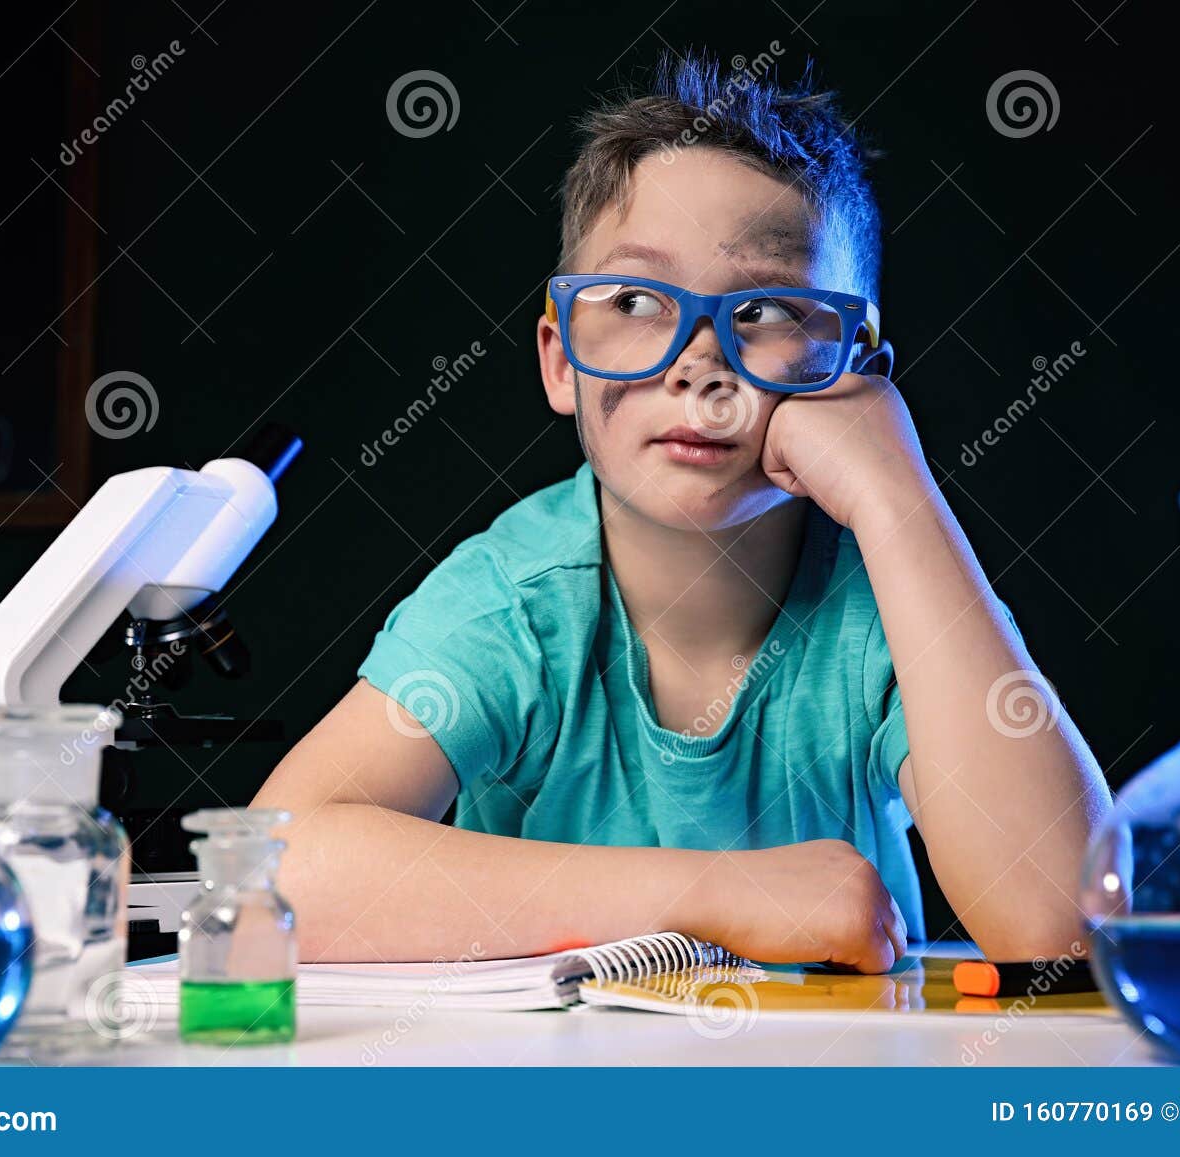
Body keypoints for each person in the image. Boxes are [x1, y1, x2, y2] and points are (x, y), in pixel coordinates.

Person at [253, 54, 1108, 972]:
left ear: (861, 372)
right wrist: (710, 894)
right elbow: (275, 876)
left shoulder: (895, 597)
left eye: (771, 308)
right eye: (633, 300)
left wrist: (899, 495)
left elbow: (1061, 918)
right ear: (559, 359)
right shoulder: (516, 607)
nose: (699, 364)